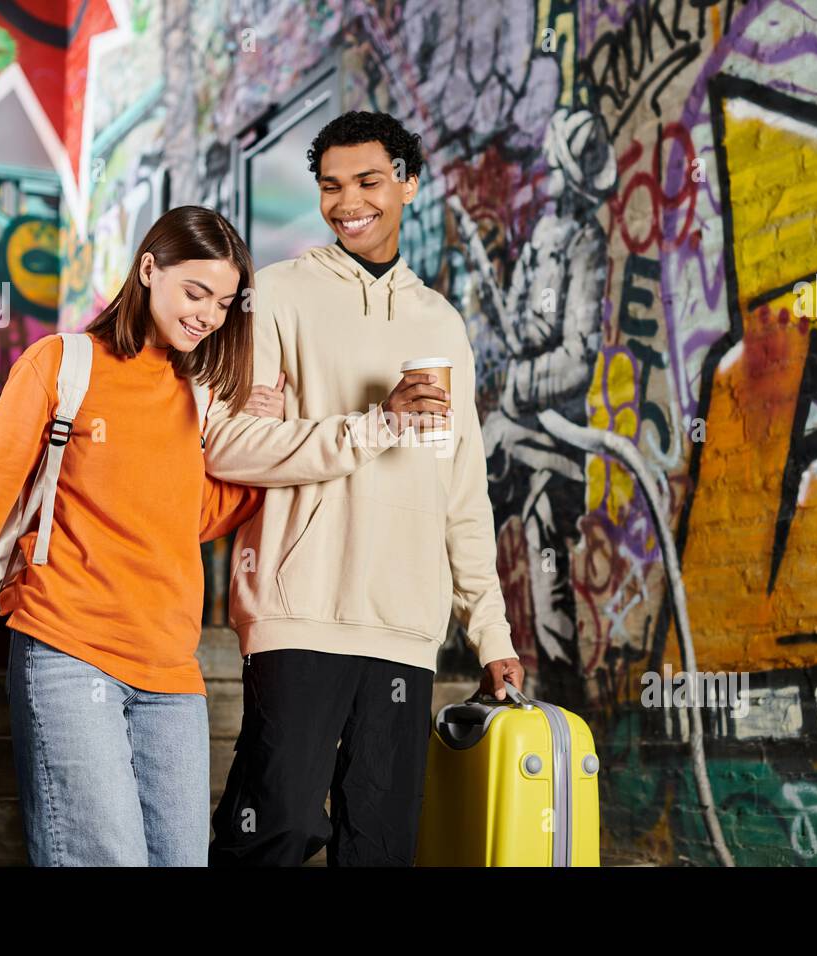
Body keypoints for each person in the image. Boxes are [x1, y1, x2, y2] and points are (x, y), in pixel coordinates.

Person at [0, 206, 273, 866]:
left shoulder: (197, 395)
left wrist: (273, 457)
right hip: (70, 653)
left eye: (221, 301)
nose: (208, 315)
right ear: (149, 269)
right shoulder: (63, 364)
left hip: (173, 675)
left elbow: (190, 517)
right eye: (195, 292)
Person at [205, 111, 525, 867]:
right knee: (273, 825)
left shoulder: (440, 322)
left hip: (405, 626)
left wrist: (493, 634)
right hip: (299, 609)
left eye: (369, 181)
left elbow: (460, 493)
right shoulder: (274, 296)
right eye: (331, 186)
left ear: (408, 184)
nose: (348, 201)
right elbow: (227, 444)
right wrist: (371, 425)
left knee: (379, 846)